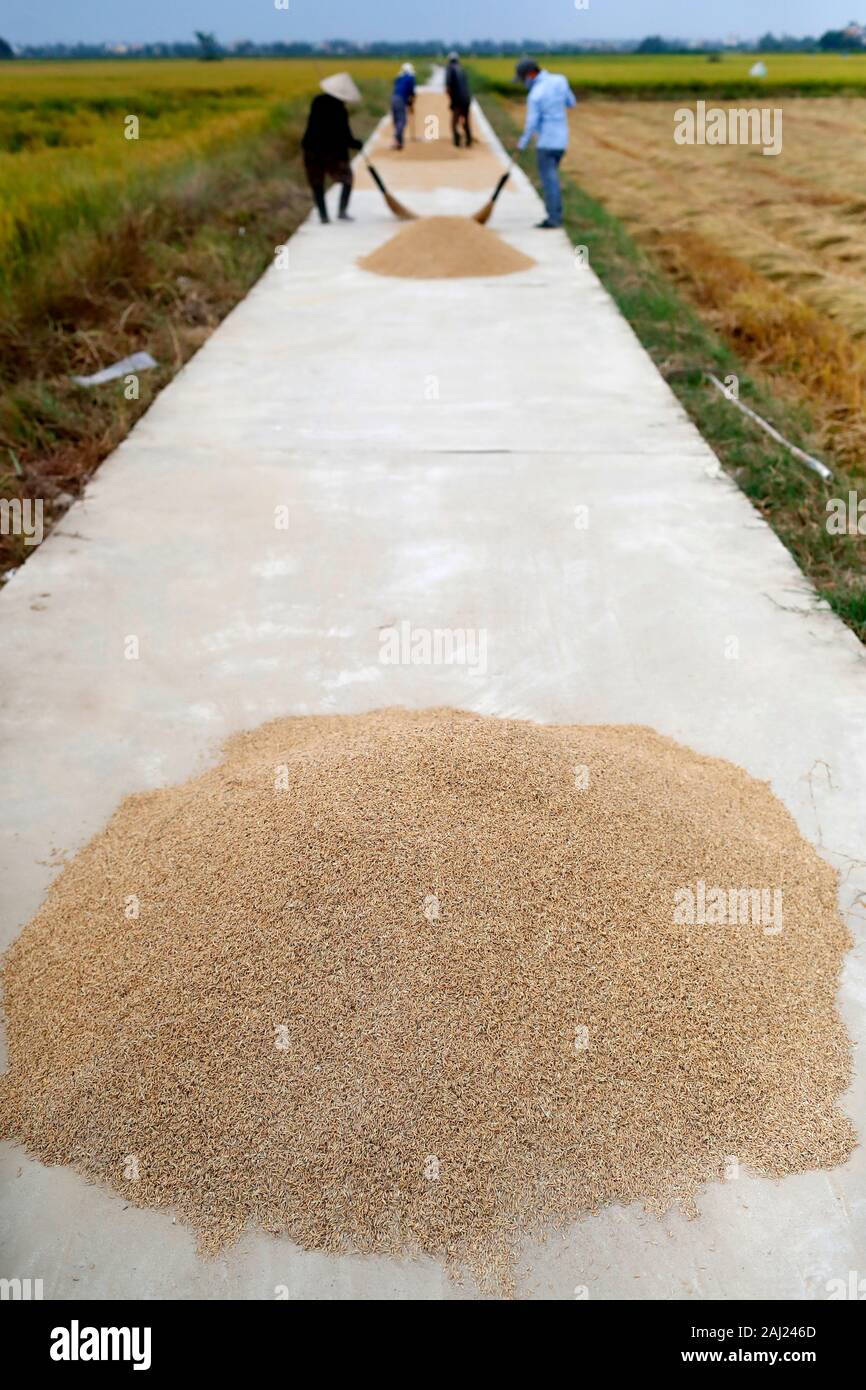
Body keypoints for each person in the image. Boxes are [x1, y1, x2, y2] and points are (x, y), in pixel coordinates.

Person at [514, 57, 576, 229]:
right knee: (553, 177)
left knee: (549, 180)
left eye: (523, 79)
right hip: (561, 141)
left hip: (546, 142)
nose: (523, 83)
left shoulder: (535, 94)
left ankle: (554, 218)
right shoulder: (560, 80)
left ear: (531, 74)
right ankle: (556, 213)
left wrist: (522, 143)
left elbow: (531, 123)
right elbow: (571, 103)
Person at [301, 73, 362, 225]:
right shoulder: (340, 110)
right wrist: (356, 144)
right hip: (332, 152)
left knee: (317, 183)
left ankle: (323, 216)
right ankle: (341, 211)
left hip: (311, 149)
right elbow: (344, 135)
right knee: (347, 179)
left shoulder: (317, 101)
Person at [445, 51, 472, 147]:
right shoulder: (462, 69)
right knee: (466, 120)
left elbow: (448, 88)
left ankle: (457, 140)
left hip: (458, 99)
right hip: (467, 98)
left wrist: (451, 101)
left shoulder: (450, 69)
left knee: (454, 123)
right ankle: (469, 139)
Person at [391, 62, 416, 150]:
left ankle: (398, 141)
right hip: (400, 99)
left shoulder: (398, 77)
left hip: (393, 99)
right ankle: (397, 138)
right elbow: (411, 93)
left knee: (397, 120)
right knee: (402, 121)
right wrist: (411, 105)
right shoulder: (410, 78)